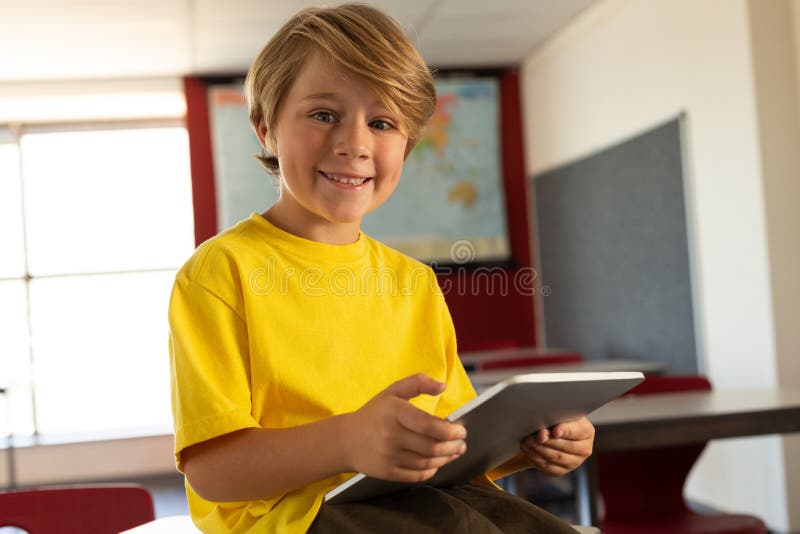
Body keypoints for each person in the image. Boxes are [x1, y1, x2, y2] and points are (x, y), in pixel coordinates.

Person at [168, 3, 595, 532]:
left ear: (407, 145)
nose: (354, 144)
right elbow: (212, 472)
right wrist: (349, 440)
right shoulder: (219, 272)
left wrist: (530, 441)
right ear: (265, 128)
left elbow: (452, 437)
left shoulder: (413, 283)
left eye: (382, 122)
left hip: (417, 497)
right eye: (324, 114)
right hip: (294, 518)